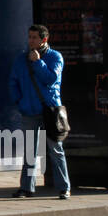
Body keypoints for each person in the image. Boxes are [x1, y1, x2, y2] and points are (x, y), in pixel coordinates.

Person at [8, 23, 71, 199]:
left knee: (55, 150)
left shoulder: (54, 57)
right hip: (29, 110)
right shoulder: (21, 59)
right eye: (29, 37)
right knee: (30, 151)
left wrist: (38, 62)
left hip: (49, 110)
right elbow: (13, 81)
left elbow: (51, 79)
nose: (31, 41)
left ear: (44, 39)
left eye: (34, 37)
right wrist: (19, 101)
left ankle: (64, 187)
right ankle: (27, 188)